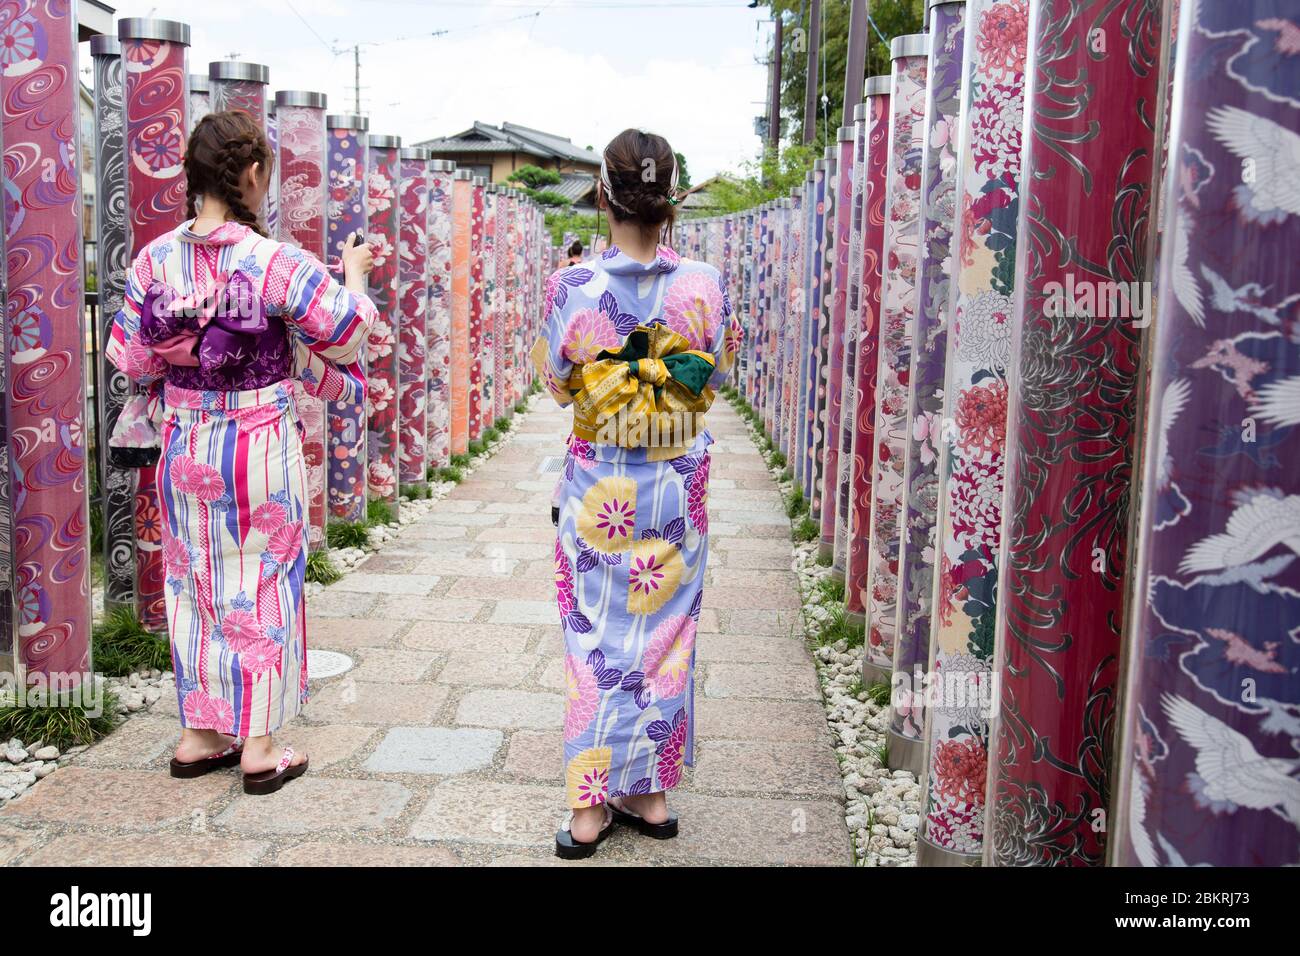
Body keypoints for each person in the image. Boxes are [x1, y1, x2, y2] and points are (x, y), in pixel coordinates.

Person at [107, 110, 376, 795]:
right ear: (253, 175)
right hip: (255, 442)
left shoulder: (153, 260)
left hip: (185, 441)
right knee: (263, 580)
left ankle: (200, 734)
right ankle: (259, 744)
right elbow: (345, 335)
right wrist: (354, 276)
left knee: (193, 580)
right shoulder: (274, 261)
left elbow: (132, 357)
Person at [532, 128, 741, 858]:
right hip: (677, 479)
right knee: (666, 634)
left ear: (604, 195)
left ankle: (589, 810)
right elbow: (714, 377)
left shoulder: (573, 286)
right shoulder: (704, 284)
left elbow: (558, 386)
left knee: (592, 633)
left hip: (600, 486)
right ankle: (649, 795)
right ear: (670, 200)